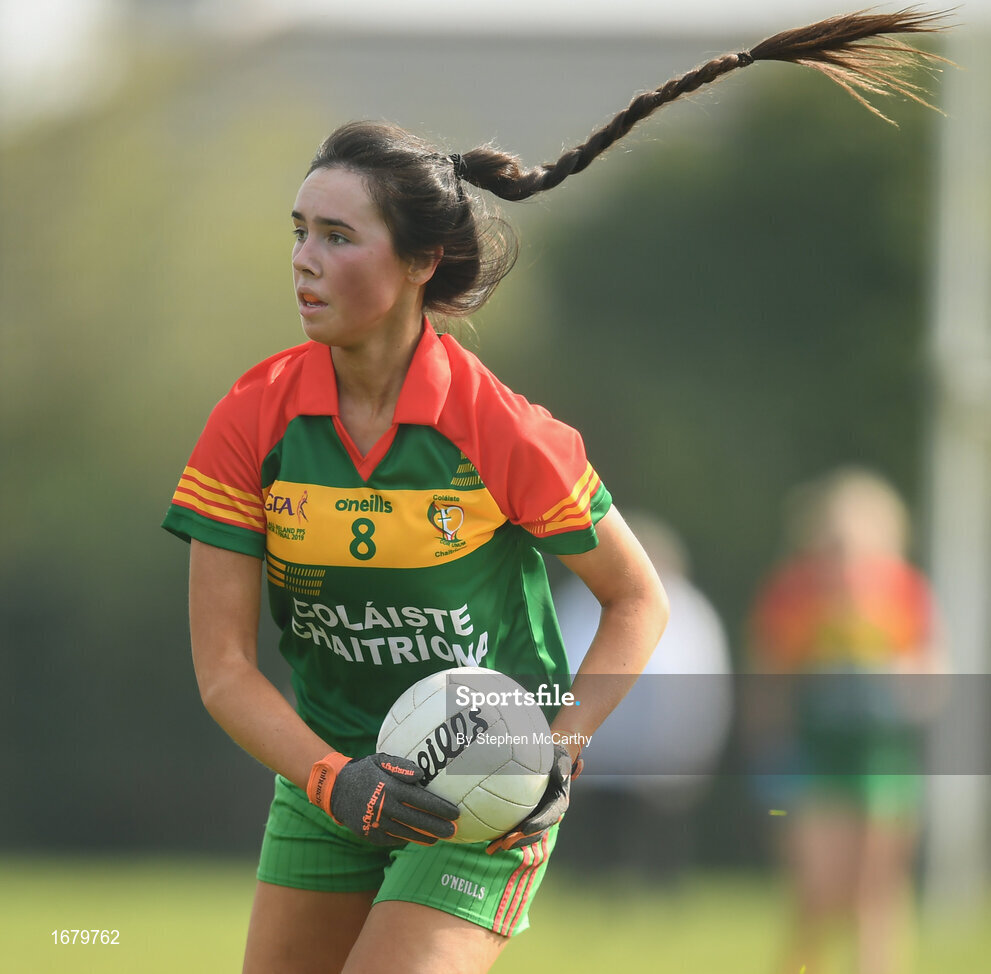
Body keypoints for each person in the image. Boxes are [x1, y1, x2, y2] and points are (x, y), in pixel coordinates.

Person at [162, 12, 946, 973]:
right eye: (300, 233)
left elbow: (636, 597)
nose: (304, 259)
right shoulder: (252, 420)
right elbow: (224, 672)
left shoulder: (501, 431)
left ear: (421, 264)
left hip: (483, 782)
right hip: (327, 779)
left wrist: (558, 751)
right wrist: (336, 781)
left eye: (336, 235)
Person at [746, 468, 944, 974]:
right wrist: (773, 757)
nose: (844, 561)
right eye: (833, 545)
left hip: (884, 757)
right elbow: (768, 684)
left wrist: (898, 681)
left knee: (877, 890)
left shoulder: (905, 592)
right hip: (814, 755)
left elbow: (932, 678)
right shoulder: (793, 594)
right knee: (819, 888)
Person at [553, 512, 732, 880]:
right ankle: (593, 886)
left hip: (664, 760)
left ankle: (658, 890)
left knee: (658, 838)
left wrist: (695, 749)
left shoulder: (691, 614)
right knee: (597, 837)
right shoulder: (578, 603)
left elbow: (705, 688)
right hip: (596, 755)